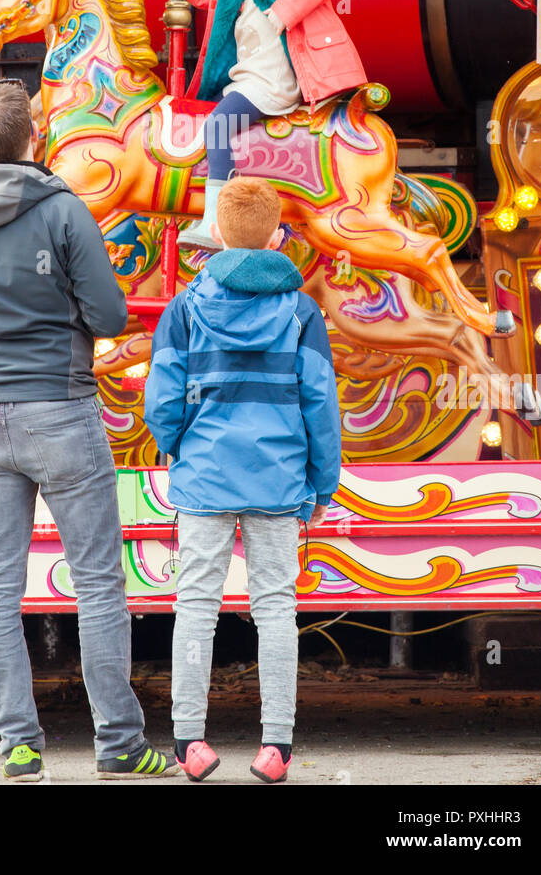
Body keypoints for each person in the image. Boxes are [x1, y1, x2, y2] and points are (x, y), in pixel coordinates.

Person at [0, 78, 176, 782]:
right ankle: (119, 743)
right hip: (62, 411)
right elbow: (110, 316)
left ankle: (19, 745)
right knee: (96, 581)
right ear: (35, 139)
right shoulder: (64, 210)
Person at [144, 175, 342, 784]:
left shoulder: (184, 309)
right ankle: (276, 749)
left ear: (220, 236)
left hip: (204, 479)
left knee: (195, 606)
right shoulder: (303, 312)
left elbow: (162, 402)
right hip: (279, 482)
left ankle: (189, 746)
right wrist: (322, 481)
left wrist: (182, 449)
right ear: (279, 236)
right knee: (277, 608)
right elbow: (320, 404)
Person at [162, 0, 367, 248]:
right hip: (248, 80)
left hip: (274, 81)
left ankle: (216, 219)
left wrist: (285, 9)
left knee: (218, 125)